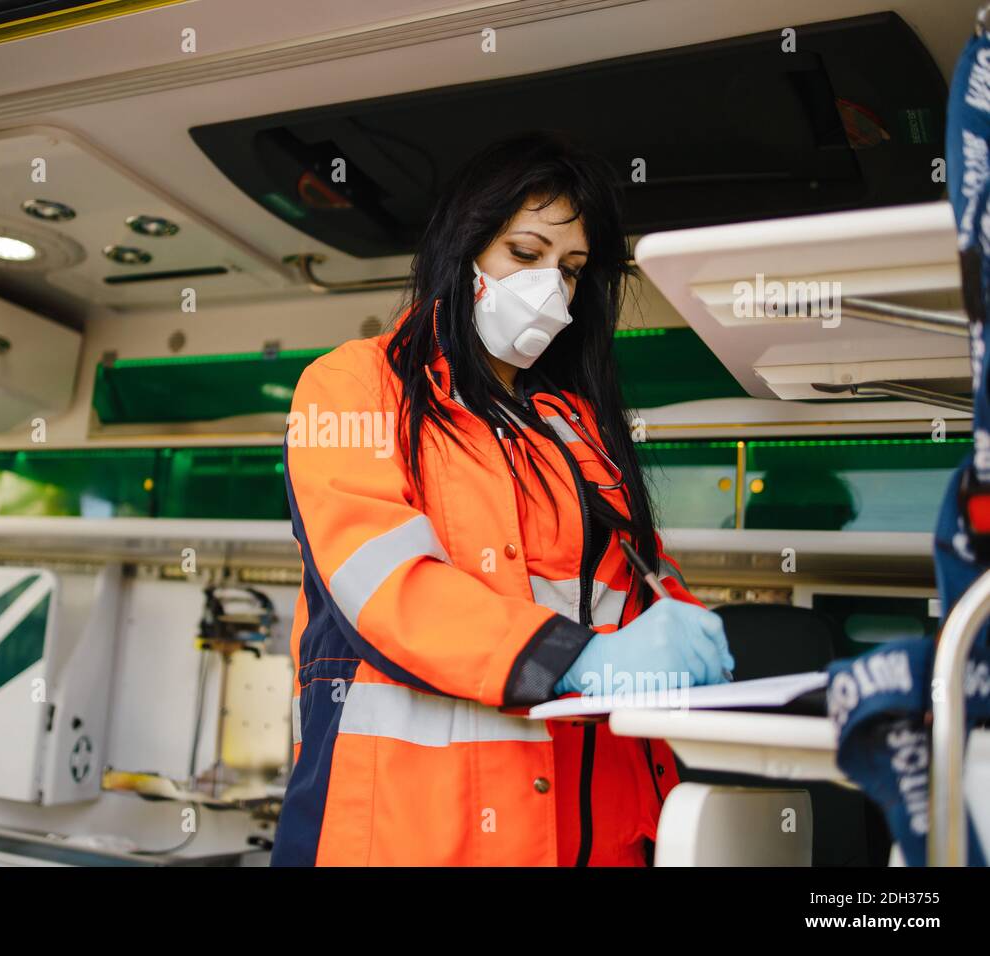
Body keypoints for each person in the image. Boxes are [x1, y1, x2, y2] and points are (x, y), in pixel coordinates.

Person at [272, 130, 733, 867]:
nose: (551, 287)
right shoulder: (354, 386)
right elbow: (388, 590)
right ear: (465, 245)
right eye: (525, 254)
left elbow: (635, 587)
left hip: (604, 836)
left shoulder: (574, 425)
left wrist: (686, 628)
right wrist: (578, 660)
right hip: (418, 833)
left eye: (573, 270)